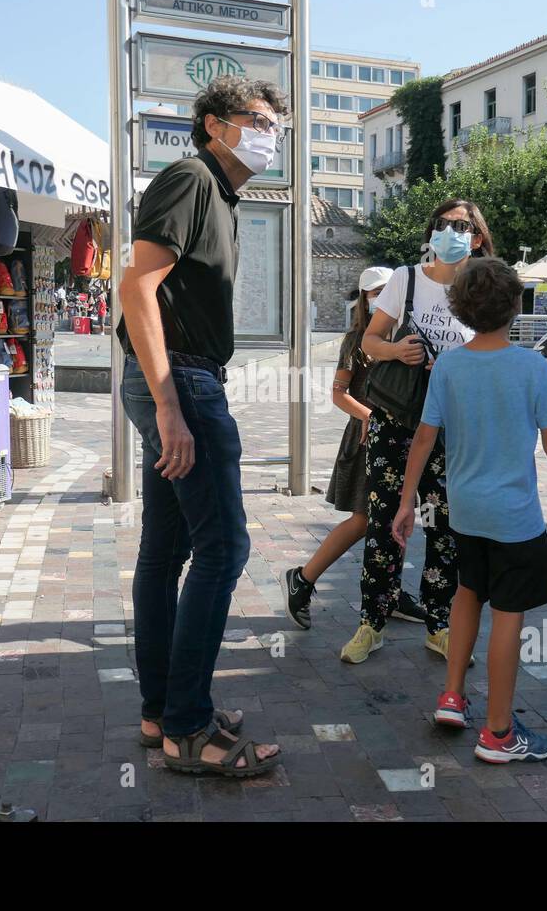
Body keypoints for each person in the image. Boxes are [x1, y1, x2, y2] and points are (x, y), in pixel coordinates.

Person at [116, 75, 286, 777]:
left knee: (167, 551)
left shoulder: (219, 192)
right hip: (181, 380)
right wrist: (168, 406)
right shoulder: (191, 179)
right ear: (216, 123)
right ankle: (188, 728)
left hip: (183, 378)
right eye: (259, 119)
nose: (270, 134)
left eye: (276, 124)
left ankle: (164, 710)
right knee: (224, 548)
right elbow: (135, 285)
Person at [392, 257, 547, 762]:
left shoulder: (449, 366)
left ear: (460, 308)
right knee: (508, 616)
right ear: (515, 306)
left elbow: (423, 438)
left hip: (465, 511)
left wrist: (404, 503)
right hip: (514, 518)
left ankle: (452, 695)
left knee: (467, 593)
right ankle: (500, 733)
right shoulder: (531, 366)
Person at [340, 199, 492, 665]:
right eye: (443, 224)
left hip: (453, 424)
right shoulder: (405, 279)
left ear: (477, 237)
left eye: (461, 226)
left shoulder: (483, 290)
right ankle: (372, 622)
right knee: (386, 522)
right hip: (397, 420)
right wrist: (396, 350)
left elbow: (495, 352)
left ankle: (440, 625)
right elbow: (368, 341)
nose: (451, 232)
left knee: (446, 527)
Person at [284, 266, 428, 629]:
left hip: (404, 436)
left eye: (387, 289)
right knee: (364, 520)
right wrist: (369, 417)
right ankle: (303, 578)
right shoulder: (359, 339)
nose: (383, 296)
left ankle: (391, 593)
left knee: (398, 518)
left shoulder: (410, 336)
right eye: (375, 291)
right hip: (368, 437)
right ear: (365, 298)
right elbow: (338, 394)